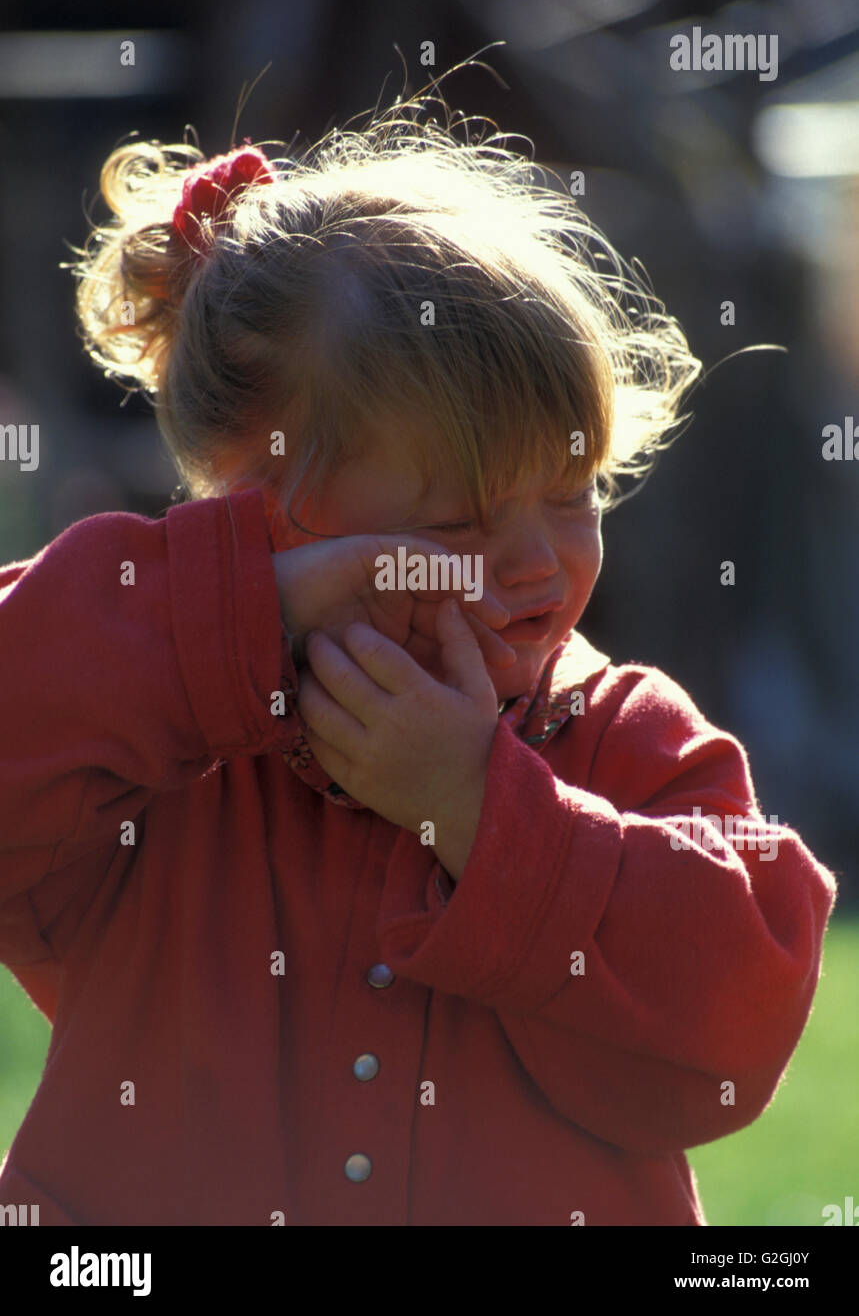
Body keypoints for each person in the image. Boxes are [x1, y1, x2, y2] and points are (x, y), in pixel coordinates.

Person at [0, 85, 837, 1226]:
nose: (538, 562)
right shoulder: (152, 751)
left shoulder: (616, 735)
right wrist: (241, 611)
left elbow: (742, 1005)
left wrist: (479, 810)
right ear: (267, 515)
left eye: (570, 490)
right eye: (457, 526)